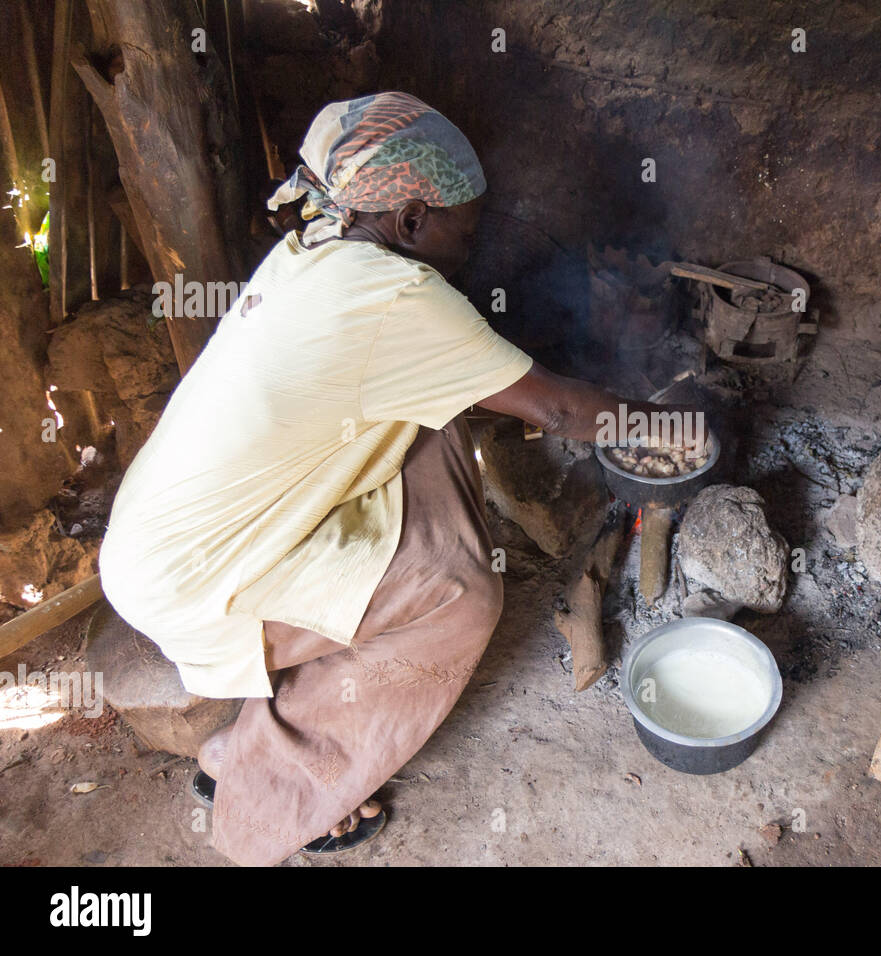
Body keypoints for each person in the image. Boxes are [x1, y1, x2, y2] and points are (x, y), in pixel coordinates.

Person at [98, 92, 704, 865]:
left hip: (168, 537)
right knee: (464, 599)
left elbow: (497, 389)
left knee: (437, 420)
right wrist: (670, 424)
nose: (472, 243)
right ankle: (269, 795)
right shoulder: (394, 300)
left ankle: (254, 744)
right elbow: (554, 406)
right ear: (413, 219)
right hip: (194, 579)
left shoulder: (316, 249)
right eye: (468, 226)